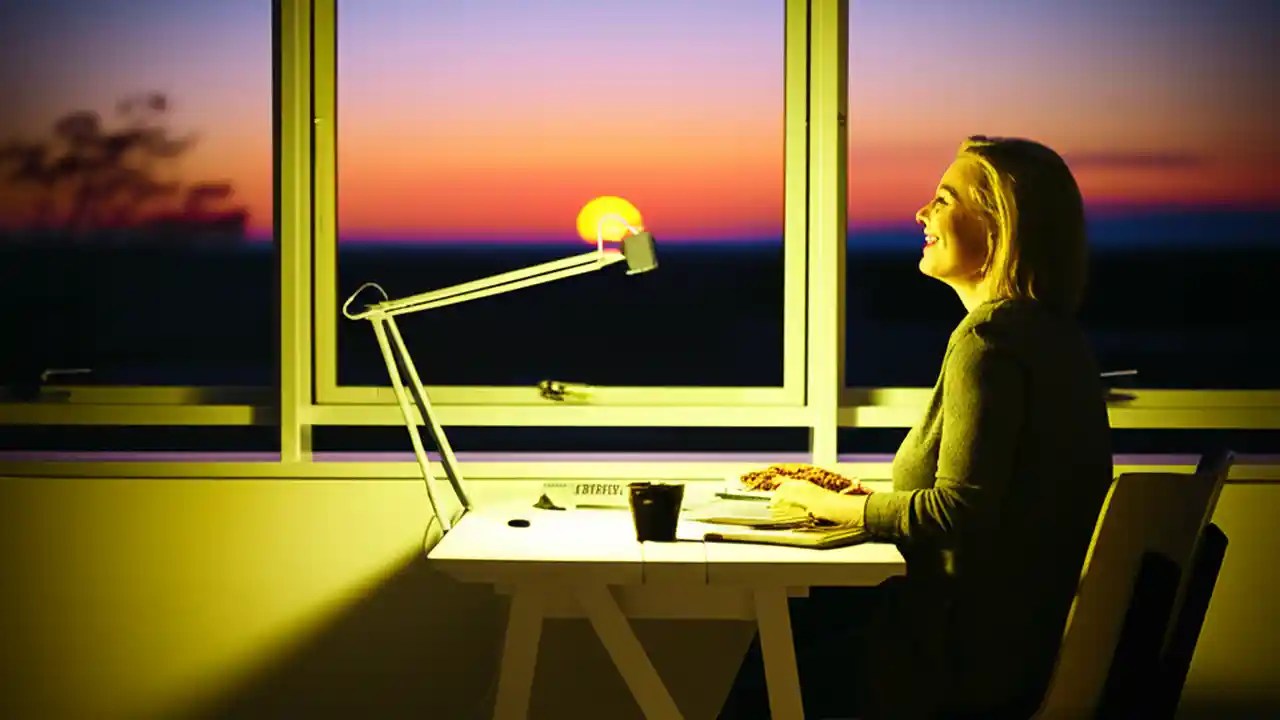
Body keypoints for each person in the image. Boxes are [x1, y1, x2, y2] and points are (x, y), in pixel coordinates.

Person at [719, 136, 1114, 719]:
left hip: (959, 658)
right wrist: (866, 502)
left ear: (1000, 226)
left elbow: (959, 512)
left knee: (768, 649)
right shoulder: (1054, 337)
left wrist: (824, 502)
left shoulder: (988, 341)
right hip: (1017, 645)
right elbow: (1005, 498)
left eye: (944, 199)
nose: (921, 213)